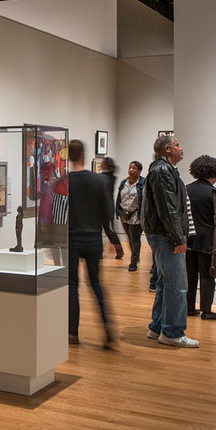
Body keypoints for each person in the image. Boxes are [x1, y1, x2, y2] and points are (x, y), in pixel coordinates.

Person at [142, 133, 199, 348]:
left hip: (163, 235)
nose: (181, 148)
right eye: (177, 145)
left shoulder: (163, 169)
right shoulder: (163, 170)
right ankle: (172, 333)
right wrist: (177, 238)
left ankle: (157, 327)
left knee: (166, 283)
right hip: (167, 236)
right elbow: (168, 208)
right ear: (167, 149)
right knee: (177, 285)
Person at [66, 140, 116, 349]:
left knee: (72, 285)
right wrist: (113, 239)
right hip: (93, 238)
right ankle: (107, 329)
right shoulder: (98, 181)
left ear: (69, 156)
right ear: (83, 155)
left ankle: (73, 333)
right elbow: (106, 213)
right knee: (95, 283)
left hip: (71, 239)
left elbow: (59, 213)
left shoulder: (64, 181)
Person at [187, 155, 216, 320]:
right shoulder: (215, 193)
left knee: (190, 275)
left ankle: (189, 308)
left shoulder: (186, 189)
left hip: (188, 239)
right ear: (215, 172)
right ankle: (206, 311)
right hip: (208, 241)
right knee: (207, 275)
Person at [116, 161, 145, 272]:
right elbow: (119, 198)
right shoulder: (124, 182)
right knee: (129, 237)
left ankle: (133, 263)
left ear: (139, 171)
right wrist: (118, 210)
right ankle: (135, 256)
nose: (131, 170)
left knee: (135, 238)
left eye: (134, 168)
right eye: (130, 168)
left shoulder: (143, 183)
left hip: (136, 214)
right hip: (124, 213)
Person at [98, 157, 125, 260]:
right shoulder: (111, 177)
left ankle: (118, 250)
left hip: (103, 207)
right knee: (108, 230)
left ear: (105, 165)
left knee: (106, 230)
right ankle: (118, 250)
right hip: (108, 207)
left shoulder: (103, 177)